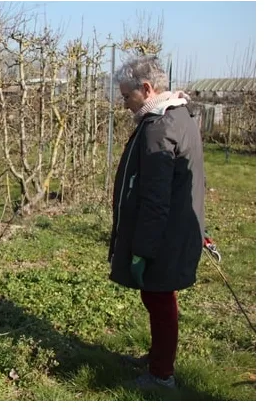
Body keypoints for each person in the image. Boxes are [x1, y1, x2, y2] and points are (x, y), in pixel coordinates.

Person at [108, 55, 206, 390]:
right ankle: (157, 357)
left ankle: (161, 374)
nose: (124, 105)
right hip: (175, 231)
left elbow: (155, 198)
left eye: (126, 97)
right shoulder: (178, 115)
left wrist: (142, 250)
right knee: (159, 298)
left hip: (164, 235)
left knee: (160, 300)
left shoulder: (160, 128)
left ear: (146, 89)